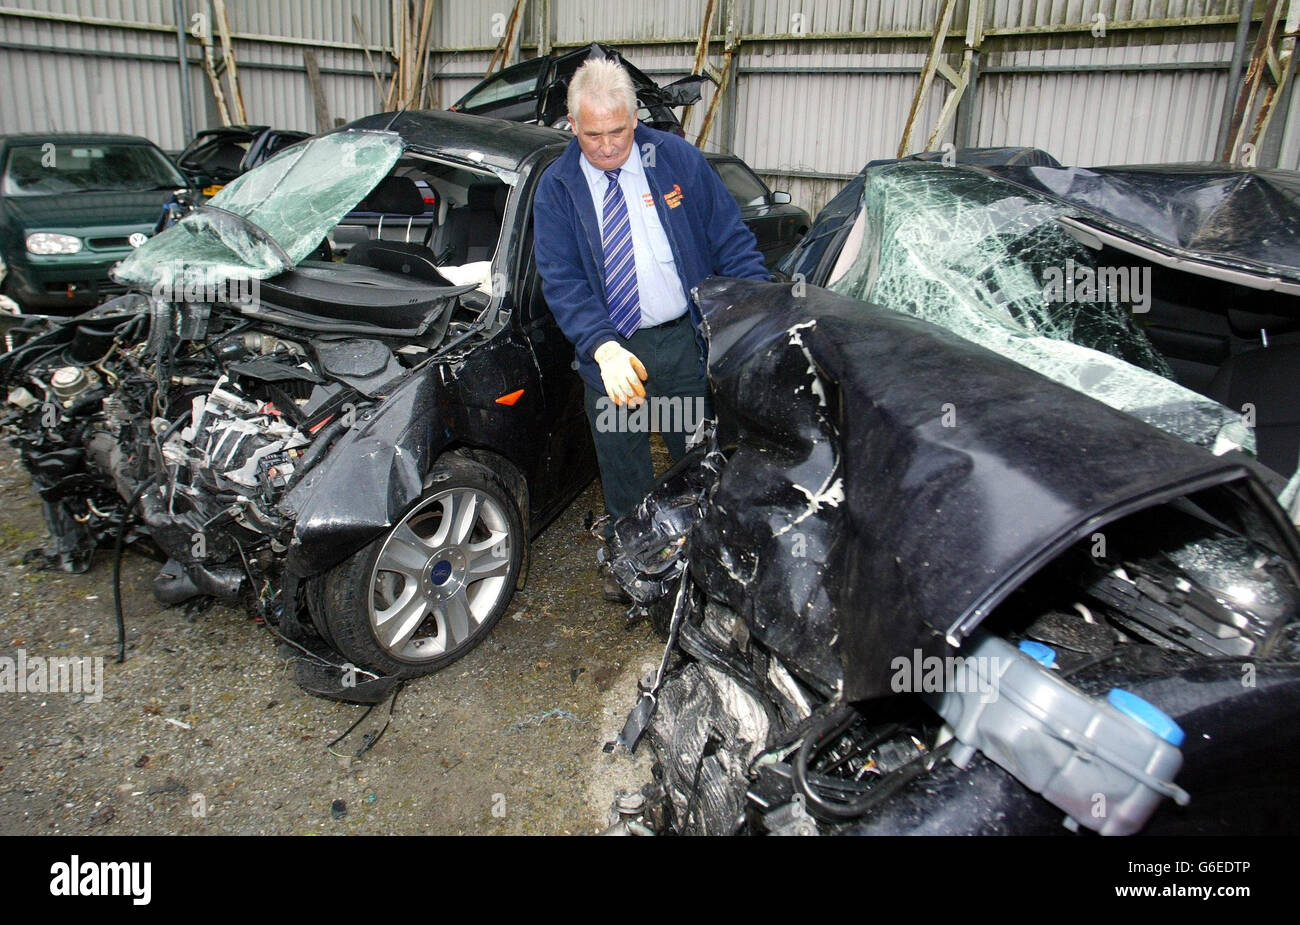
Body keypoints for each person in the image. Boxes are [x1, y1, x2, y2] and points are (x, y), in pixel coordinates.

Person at [532, 58, 769, 602]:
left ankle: (703, 560)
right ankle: (635, 567)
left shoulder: (677, 161)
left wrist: (754, 312)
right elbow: (563, 280)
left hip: (681, 342)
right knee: (623, 465)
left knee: (696, 451)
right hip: (613, 352)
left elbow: (730, 239)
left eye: (619, 131)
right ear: (573, 126)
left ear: (635, 119)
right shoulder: (558, 189)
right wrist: (601, 347)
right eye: (594, 135)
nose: (610, 146)